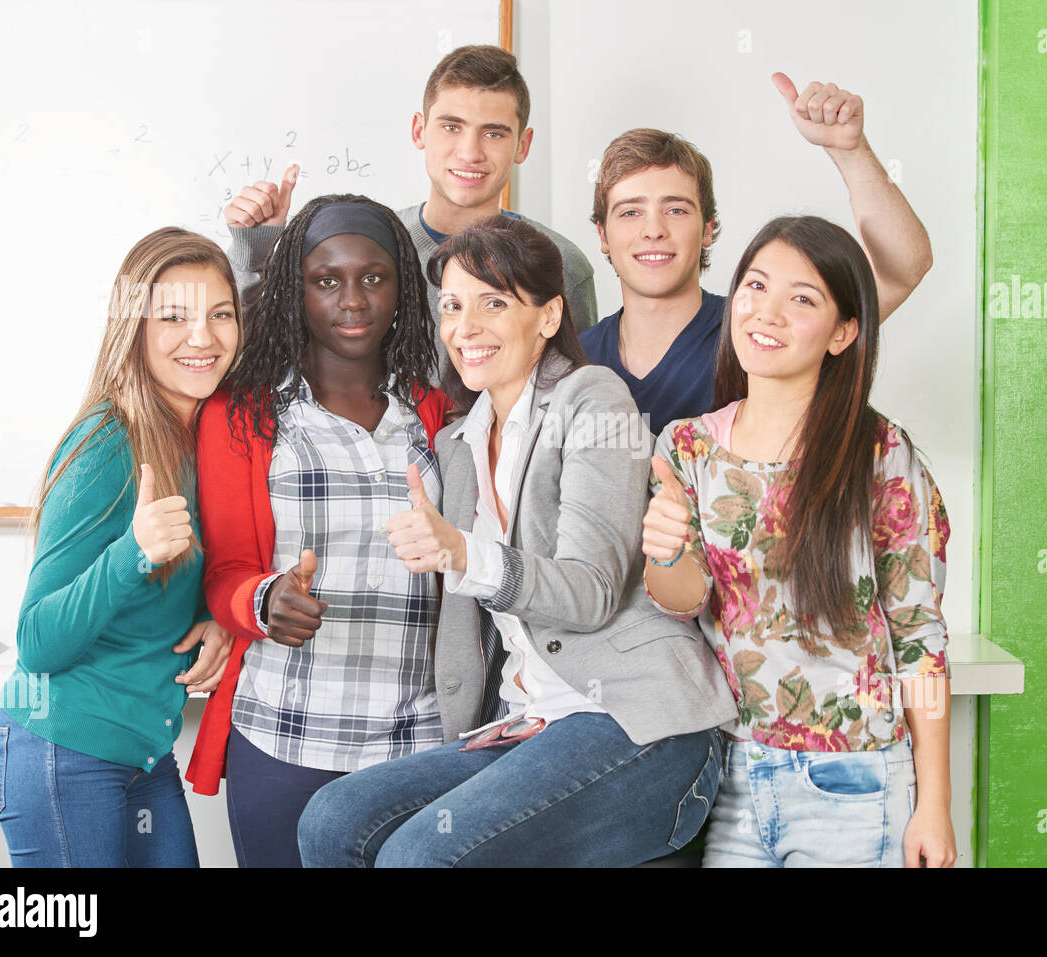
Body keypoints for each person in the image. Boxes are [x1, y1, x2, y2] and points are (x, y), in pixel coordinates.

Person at [296, 216, 737, 867]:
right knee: (331, 820)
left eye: (493, 302)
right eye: (452, 305)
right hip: (533, 727)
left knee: (420, 855)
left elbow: (588, 591)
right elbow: (460, 635)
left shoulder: (594, 401)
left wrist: (461, 553)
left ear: (550, 314)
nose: (465, 327)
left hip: (645, 725)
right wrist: (465, 760)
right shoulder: (457, 445)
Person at [641, 215, 956, 867]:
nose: (768, 312)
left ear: (844, 332)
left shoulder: (879, 453)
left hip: (857, 781)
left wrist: (935, 803)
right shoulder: (687, 445)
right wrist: (665, 546)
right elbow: (684, 601)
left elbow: (919, 634)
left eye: (803, 299)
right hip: (730, 778)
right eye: (755, 286)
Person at [185, 194, 452, 867]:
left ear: (402, 289)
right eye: (326, 280)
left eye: (374, 277)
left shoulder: (437, 409)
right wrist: (265, 598)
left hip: (419, 741)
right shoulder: (240, 414)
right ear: (293, 292)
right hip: (286, 736)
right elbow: (223, 572)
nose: (353, 299)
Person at [0, 228, 239, 867]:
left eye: (221, 314)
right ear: (134, 328)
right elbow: (38, 640)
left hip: (142, 755)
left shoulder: (208, 438)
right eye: (174, 317)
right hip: (60, 751)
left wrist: (216, 619)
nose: (202, 337)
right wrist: (134, 551)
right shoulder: (109, 442)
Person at [583, 75, 932, 435]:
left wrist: (851, 152)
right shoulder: (574, 360)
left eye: (676, 210)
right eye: (629, 212)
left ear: (707, 228)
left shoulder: (762, 329)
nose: (653, 230)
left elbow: (903, 270)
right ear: (602, 234)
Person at [223, 44, 598, 378]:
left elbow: (574, 401)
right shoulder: (364, 249)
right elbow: (256, 359)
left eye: (494, 133)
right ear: (419, 130)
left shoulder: (561, 264)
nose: (469, 152)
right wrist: (252, 253)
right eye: (452, 126)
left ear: (523, 144)